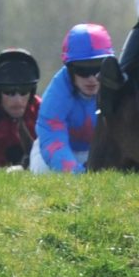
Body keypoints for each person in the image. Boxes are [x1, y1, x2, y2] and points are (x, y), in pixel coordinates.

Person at [33, 24, 112, 174]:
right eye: (83, 70)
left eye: (98, 69)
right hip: (58, 149)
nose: (92, 79)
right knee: (45, 174)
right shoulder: (56, 94)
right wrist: (76, 174)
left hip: (96, 152)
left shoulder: (117, 86)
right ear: (69, 69)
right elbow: (53, 139)